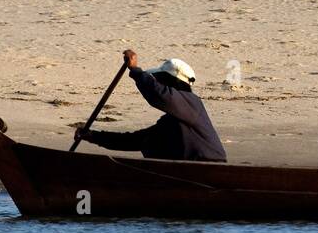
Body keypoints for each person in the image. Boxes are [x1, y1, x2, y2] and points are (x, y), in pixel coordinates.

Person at [75, 49, 226, 162]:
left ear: (172, 82)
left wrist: (135, 70)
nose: (157, 82)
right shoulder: (172, 121)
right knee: (150, 143)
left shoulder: (192, 103)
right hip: (186, 173)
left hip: (210, 168)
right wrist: (93, 136)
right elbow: (134, 140)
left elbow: (159, 94)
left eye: (160, 79)